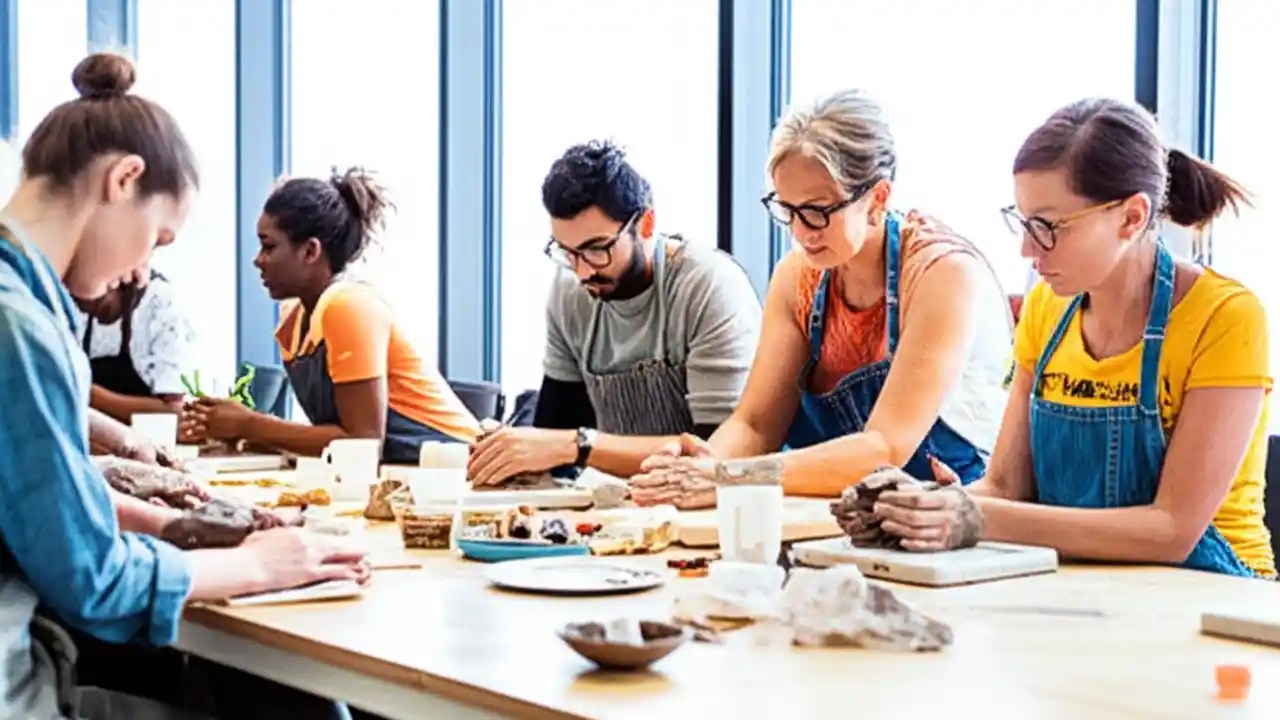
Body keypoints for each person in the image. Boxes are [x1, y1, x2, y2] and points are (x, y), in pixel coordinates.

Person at [0, 52, 369, 719]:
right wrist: (264, 565)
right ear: (123, 179)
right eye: (157, 238)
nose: (142, 269)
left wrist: (184, 525)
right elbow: (96, 582)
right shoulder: (17, 325)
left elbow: (40, 499)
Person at [869, 98, 1275, 579]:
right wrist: (915, 506)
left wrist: (978, 518)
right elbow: (1004, 487)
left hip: (1214, 599)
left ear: (1131, 217)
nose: (1026, 249)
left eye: (1047, 227)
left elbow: (1172, 530)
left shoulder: (1225, 317)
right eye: (1023, 222)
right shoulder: (1047, 307)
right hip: (1079, 587)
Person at [629, 89, 1013, 509]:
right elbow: (756, 425)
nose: (800, 231)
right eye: (788, 210)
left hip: (942, 516)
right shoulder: (798, 276)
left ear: (877, 198)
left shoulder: (941, 273)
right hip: (837, 512)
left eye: (817, 211)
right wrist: (697, 467)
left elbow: (884, 448)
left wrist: (726, 478)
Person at [468, 140, 762, 486]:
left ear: (646, 224)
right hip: (627, 508)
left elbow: (716, 455)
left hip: (714, 507)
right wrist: (513, 452)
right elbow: (555, 431)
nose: (582, 272)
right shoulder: (570, 289)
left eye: (597, 249)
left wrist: (577, 445)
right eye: (568, 252)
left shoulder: (709, 286)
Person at [181, 168, 480, 462]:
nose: (258, 260)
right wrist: (233, 431)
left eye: (268, 246)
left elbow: (363, 443)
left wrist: (249, 424)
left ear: (311, 251)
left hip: (461, 471)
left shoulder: (348, 304)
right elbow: (329, 440)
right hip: (401, 474)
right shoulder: (293, 323)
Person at [73, 268, 197, 422]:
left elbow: (176, 412)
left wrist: (92, 395)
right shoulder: (75, 313)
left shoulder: (161, 307)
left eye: (94, 304)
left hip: (151, 441)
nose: (81, 309)